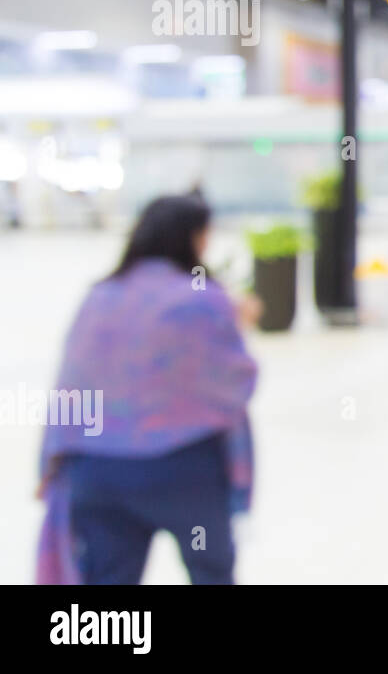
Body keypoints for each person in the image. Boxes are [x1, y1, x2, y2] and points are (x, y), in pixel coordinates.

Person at [36, 194, 260, 584]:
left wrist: (52, 461)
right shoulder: (205, 299)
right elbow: (237, 381)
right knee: (210, 572)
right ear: (195, 237)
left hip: (97, 471)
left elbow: (71, 386)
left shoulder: (101, 297)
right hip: (186, 472)